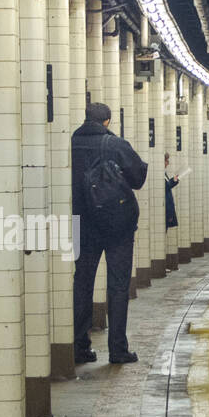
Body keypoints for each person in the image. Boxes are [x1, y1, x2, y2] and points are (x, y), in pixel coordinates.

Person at [71, 101, 148, 365]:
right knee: (117, 285)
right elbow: (138, 178)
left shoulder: (70, 143)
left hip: (80, 223)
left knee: (82, 283)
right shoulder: (114, 144)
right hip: (117, 225)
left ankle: (79, 347)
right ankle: (118, 349)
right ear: (107, 122)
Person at [163, 152, 180, 232]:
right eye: (167, 161)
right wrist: (173, 181)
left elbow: (167, 185)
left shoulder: (163, 173)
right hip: (165, 206)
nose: (168, 163)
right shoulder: (159, 173)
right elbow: (165, 187)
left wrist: (174, 180)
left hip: (168, 205)